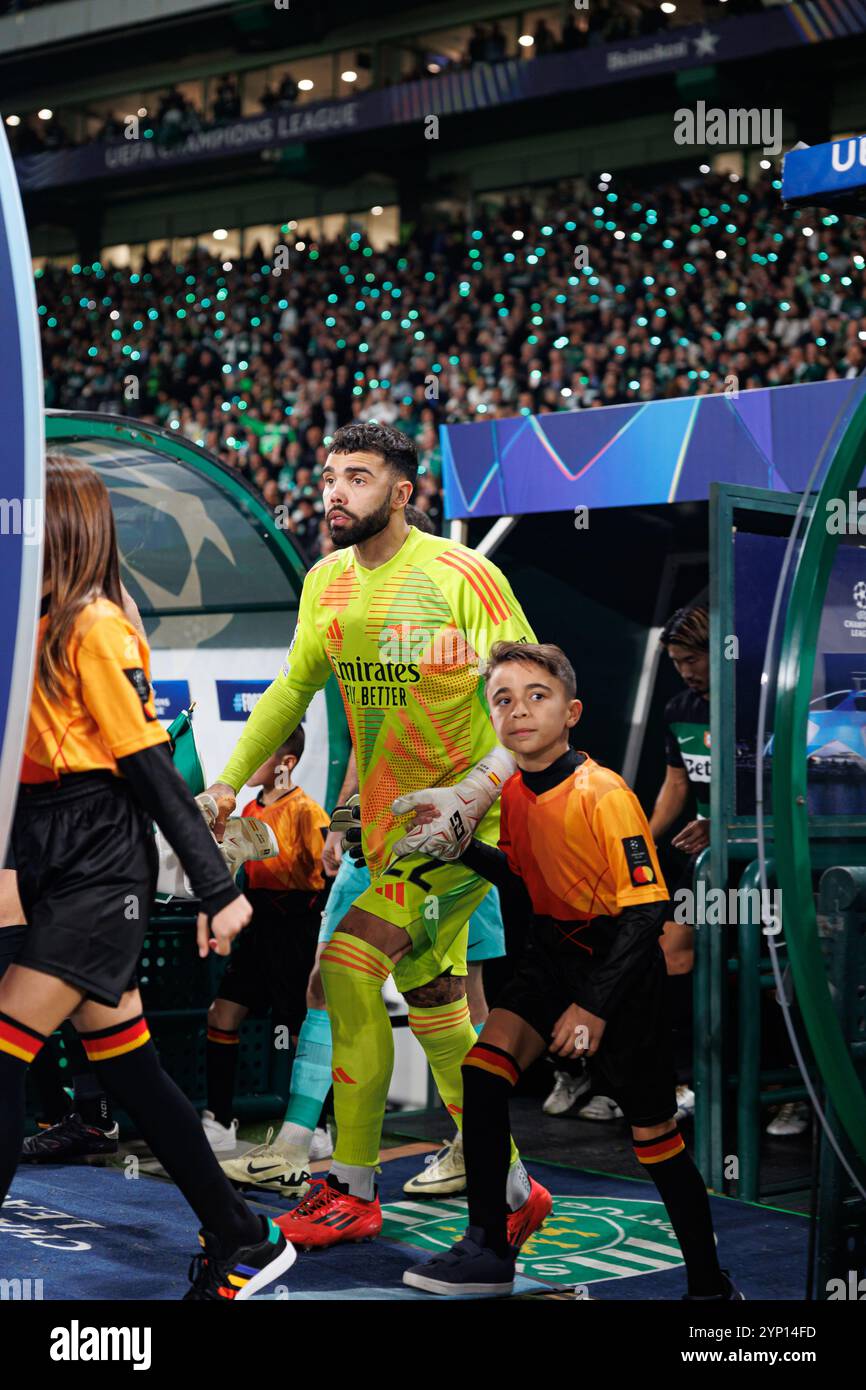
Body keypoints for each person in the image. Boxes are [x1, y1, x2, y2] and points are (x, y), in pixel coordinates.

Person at [202, 421, 550, 1250]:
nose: (334, 492)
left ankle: (351, 1189)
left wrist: (474, 790)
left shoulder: (463, 575)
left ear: (401, 492)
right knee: (434, 1004)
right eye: (329, 476)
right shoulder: (324, 583)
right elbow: (291, 690)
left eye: (356, 477)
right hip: (389, 839)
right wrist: (227, 780)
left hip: (472, 832)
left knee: (351, 967)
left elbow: (535, 686)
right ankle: (513, 1186)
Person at [0, 453, 294, 1301]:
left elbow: (149, 766)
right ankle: (242, 1234)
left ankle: (243, 1234)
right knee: (128, 1065)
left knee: (2, 1058)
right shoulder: (45, 624)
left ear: (59, 526)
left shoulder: (97, 624)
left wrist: (218, 887)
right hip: (54, 853)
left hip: (101, 863)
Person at [402, 640, 743, 1300]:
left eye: (537, 696)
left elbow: (647, 915)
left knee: (654, 1140)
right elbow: (527, 883)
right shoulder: (517, 794)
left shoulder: (605, 791)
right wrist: (460, 845)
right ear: (491, 717)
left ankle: (710, 1286)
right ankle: (488, 1249)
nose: (519, 710)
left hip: (622, 965)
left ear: (572, 711)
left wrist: (592, 1007)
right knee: (482, 1073)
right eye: (503, 699)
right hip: (551, 957)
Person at [203, 728, 332, 1180]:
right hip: (257, 929)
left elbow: (328, 879)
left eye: (261, 754)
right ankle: (219, 1122)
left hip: (297, 931)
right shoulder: (247, 810)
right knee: (222, 1015)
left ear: (286, 763)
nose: (249, 761)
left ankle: (321, 1127)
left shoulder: (307, 813)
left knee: (298, 1033)